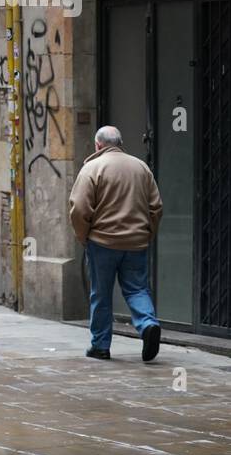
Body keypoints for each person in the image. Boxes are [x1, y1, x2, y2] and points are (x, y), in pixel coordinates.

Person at [69, 125, 164, 362]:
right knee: (137, 288)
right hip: (136, 242)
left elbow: (79, 208)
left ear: (98, 145)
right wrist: (147, 234)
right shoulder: (141, 167)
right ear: (119, 143)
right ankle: (148, 324)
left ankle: (100, 346)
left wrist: (84, 236)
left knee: (100, 294)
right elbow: (156, 207)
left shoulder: (92, 168)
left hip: (102, 242)